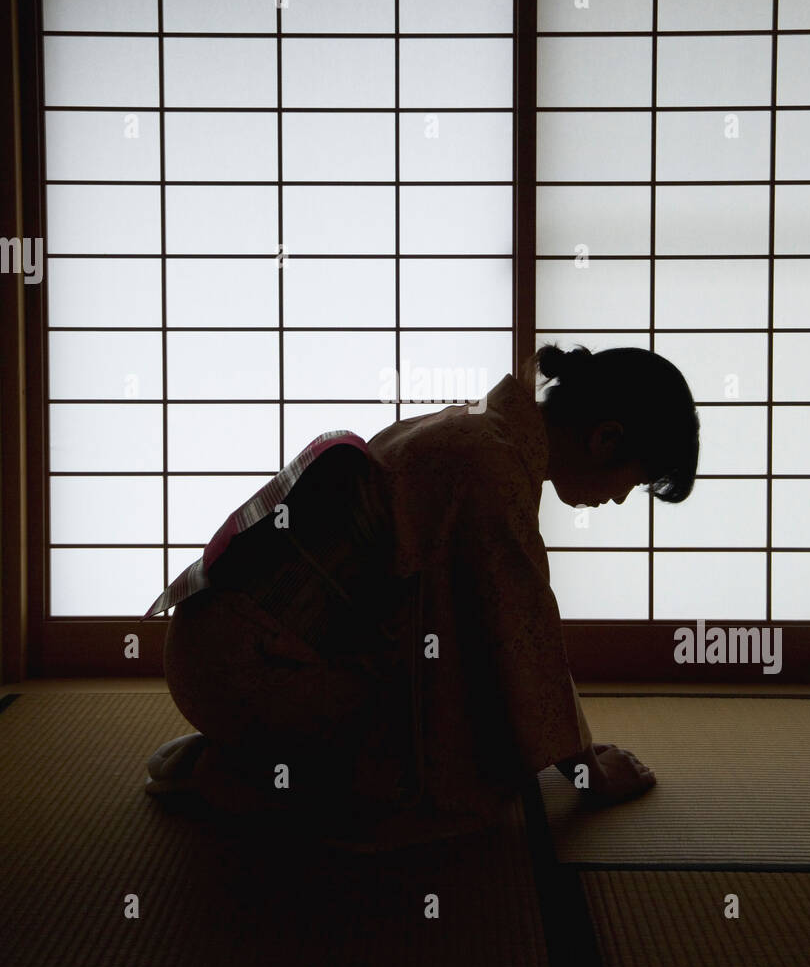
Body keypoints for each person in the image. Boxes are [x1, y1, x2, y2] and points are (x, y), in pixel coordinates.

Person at [144, 342, 699, 851]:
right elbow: (519, 640)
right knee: (447, 787)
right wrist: (588, 774)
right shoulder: (489, 469)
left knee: (465, 724)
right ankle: (229, 775)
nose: (623, 499)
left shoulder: (478, 429)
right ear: (606, 438)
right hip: (251, 672)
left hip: (219, 645)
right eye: (635, 480)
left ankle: (243, 753)